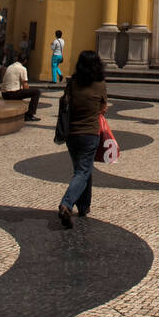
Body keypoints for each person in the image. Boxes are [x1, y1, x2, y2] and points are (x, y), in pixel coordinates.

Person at [58, 50, 108, 229]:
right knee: (82, 171)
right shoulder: (100, 84)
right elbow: (103, 107)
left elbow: (66, 103)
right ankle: (67, 203)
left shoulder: (72, 83)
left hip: (72, 134)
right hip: (90, 133)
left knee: (83, 169)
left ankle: (84, 206)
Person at [1, 56, 42, 121]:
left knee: (21, 90)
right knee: (37, 92)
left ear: (17, 59)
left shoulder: (10, 66)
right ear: (25, 61)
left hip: (4, 94)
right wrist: (28, 89)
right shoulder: (22, 68)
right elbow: (25, 85)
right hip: (12, 94)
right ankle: (29, 115)